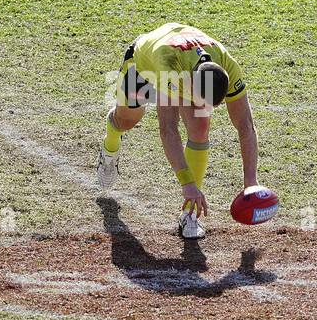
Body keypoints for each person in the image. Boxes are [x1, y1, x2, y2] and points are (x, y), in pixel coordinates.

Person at [96, 23, 259, 239]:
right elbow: (168, 129)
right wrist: (187, 183)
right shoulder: (168, 67)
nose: (204, 108)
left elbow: (245, 125)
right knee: (126, 121)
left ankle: (190, 214)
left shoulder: (228, 65)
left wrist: (250, 181)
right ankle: (110, 146)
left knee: (200, 127)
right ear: (190, 83)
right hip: (144, 65)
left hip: (184, 65)